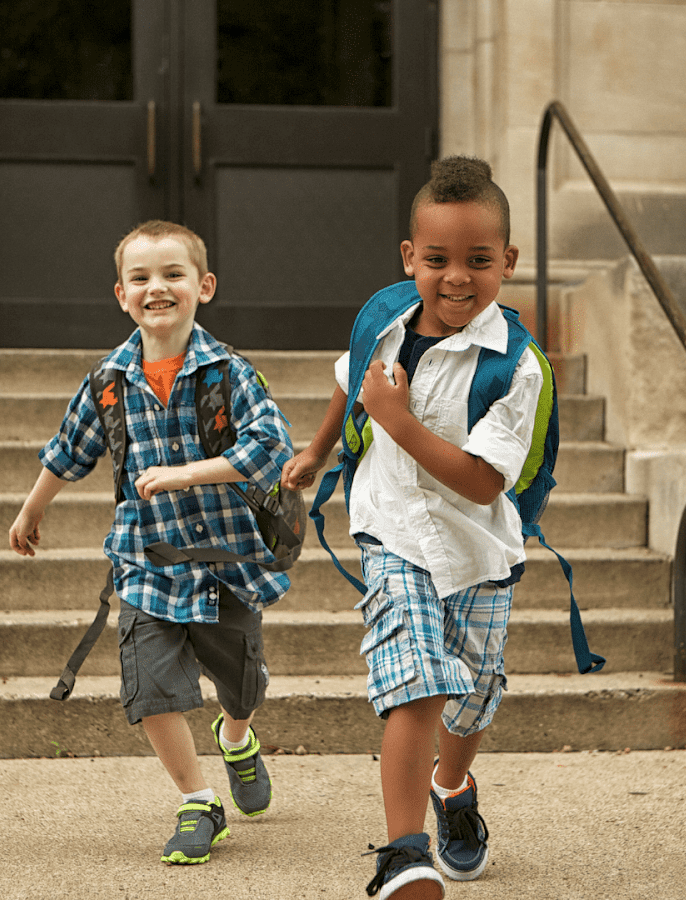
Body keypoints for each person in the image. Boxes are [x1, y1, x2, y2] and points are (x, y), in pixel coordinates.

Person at [282, 157, 541, 899]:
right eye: (437, 260)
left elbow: (484, 480)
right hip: (391, 532)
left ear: (508, 263)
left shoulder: (514, 368)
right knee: (416, 683)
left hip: (477, 549)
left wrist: (394, 422)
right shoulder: (384, 323)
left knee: (474, 694)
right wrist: (317, 449)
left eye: (478, 261)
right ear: (410, 259)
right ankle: (404, 854)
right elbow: (348, 379)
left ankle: (452, 788)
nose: (456, 278)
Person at [9, 220, 291, 865]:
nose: (156, 288)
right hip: (145, 561)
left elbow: (271, 446)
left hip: (225, 560)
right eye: (140, 278)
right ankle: (198, 802)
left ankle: (237, 735)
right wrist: (31, 511)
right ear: (120, 294)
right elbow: (68, 451)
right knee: (150, 686)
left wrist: (189, 473)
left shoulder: (229, 372)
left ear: (204, 287)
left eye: (172, 275)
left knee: (242, 682)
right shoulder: (108, 381)